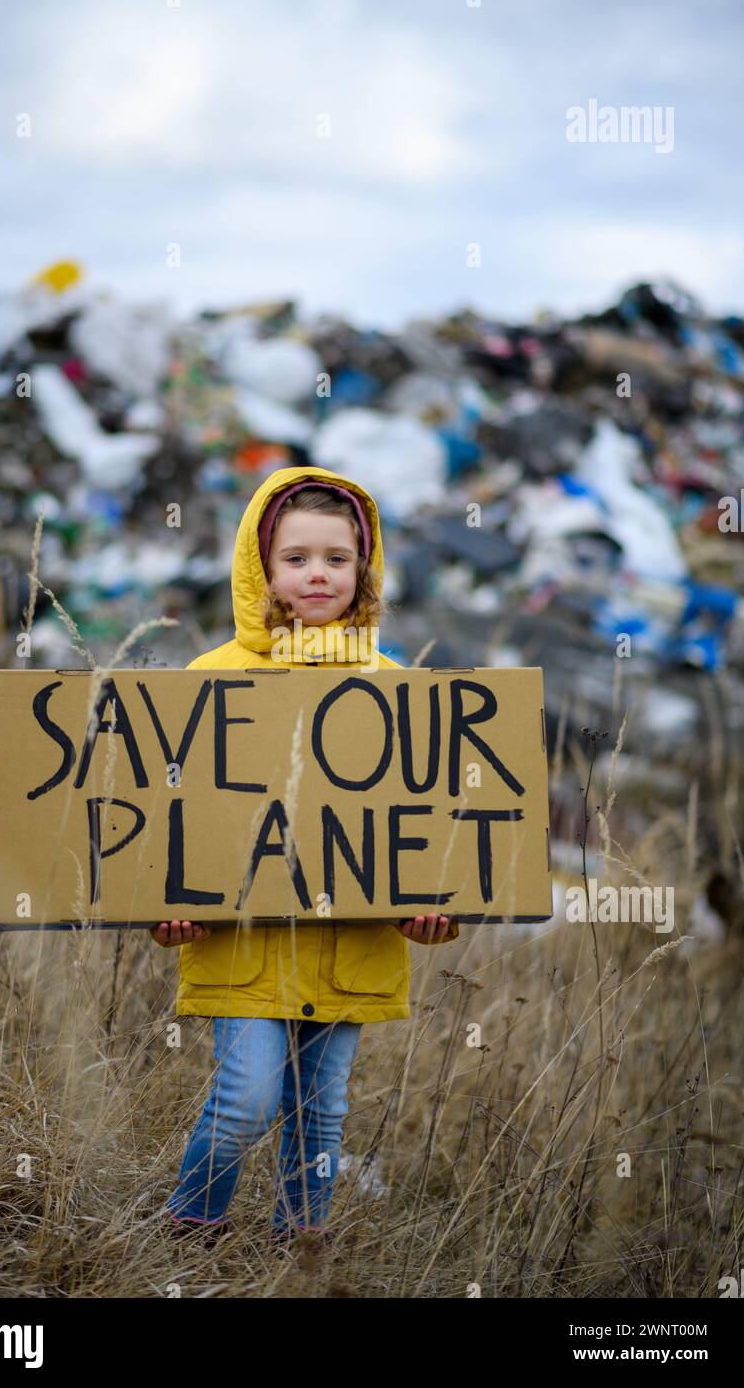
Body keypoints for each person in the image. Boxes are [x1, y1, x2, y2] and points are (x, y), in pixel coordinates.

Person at [151, 465, 459, 1248]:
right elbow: (174, 818)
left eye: (337, 558)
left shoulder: (396, 686)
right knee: (247, 1099)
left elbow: (426, 824)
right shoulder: (211, 680)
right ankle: (194, 1224)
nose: (317, 574)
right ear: (262, 567)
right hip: (240, 947)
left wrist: (433, 907)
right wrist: (164, 901)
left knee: (321, 1110)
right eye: (295, 558)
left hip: (353, 946)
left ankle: (304, 1240)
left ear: (365, 568)